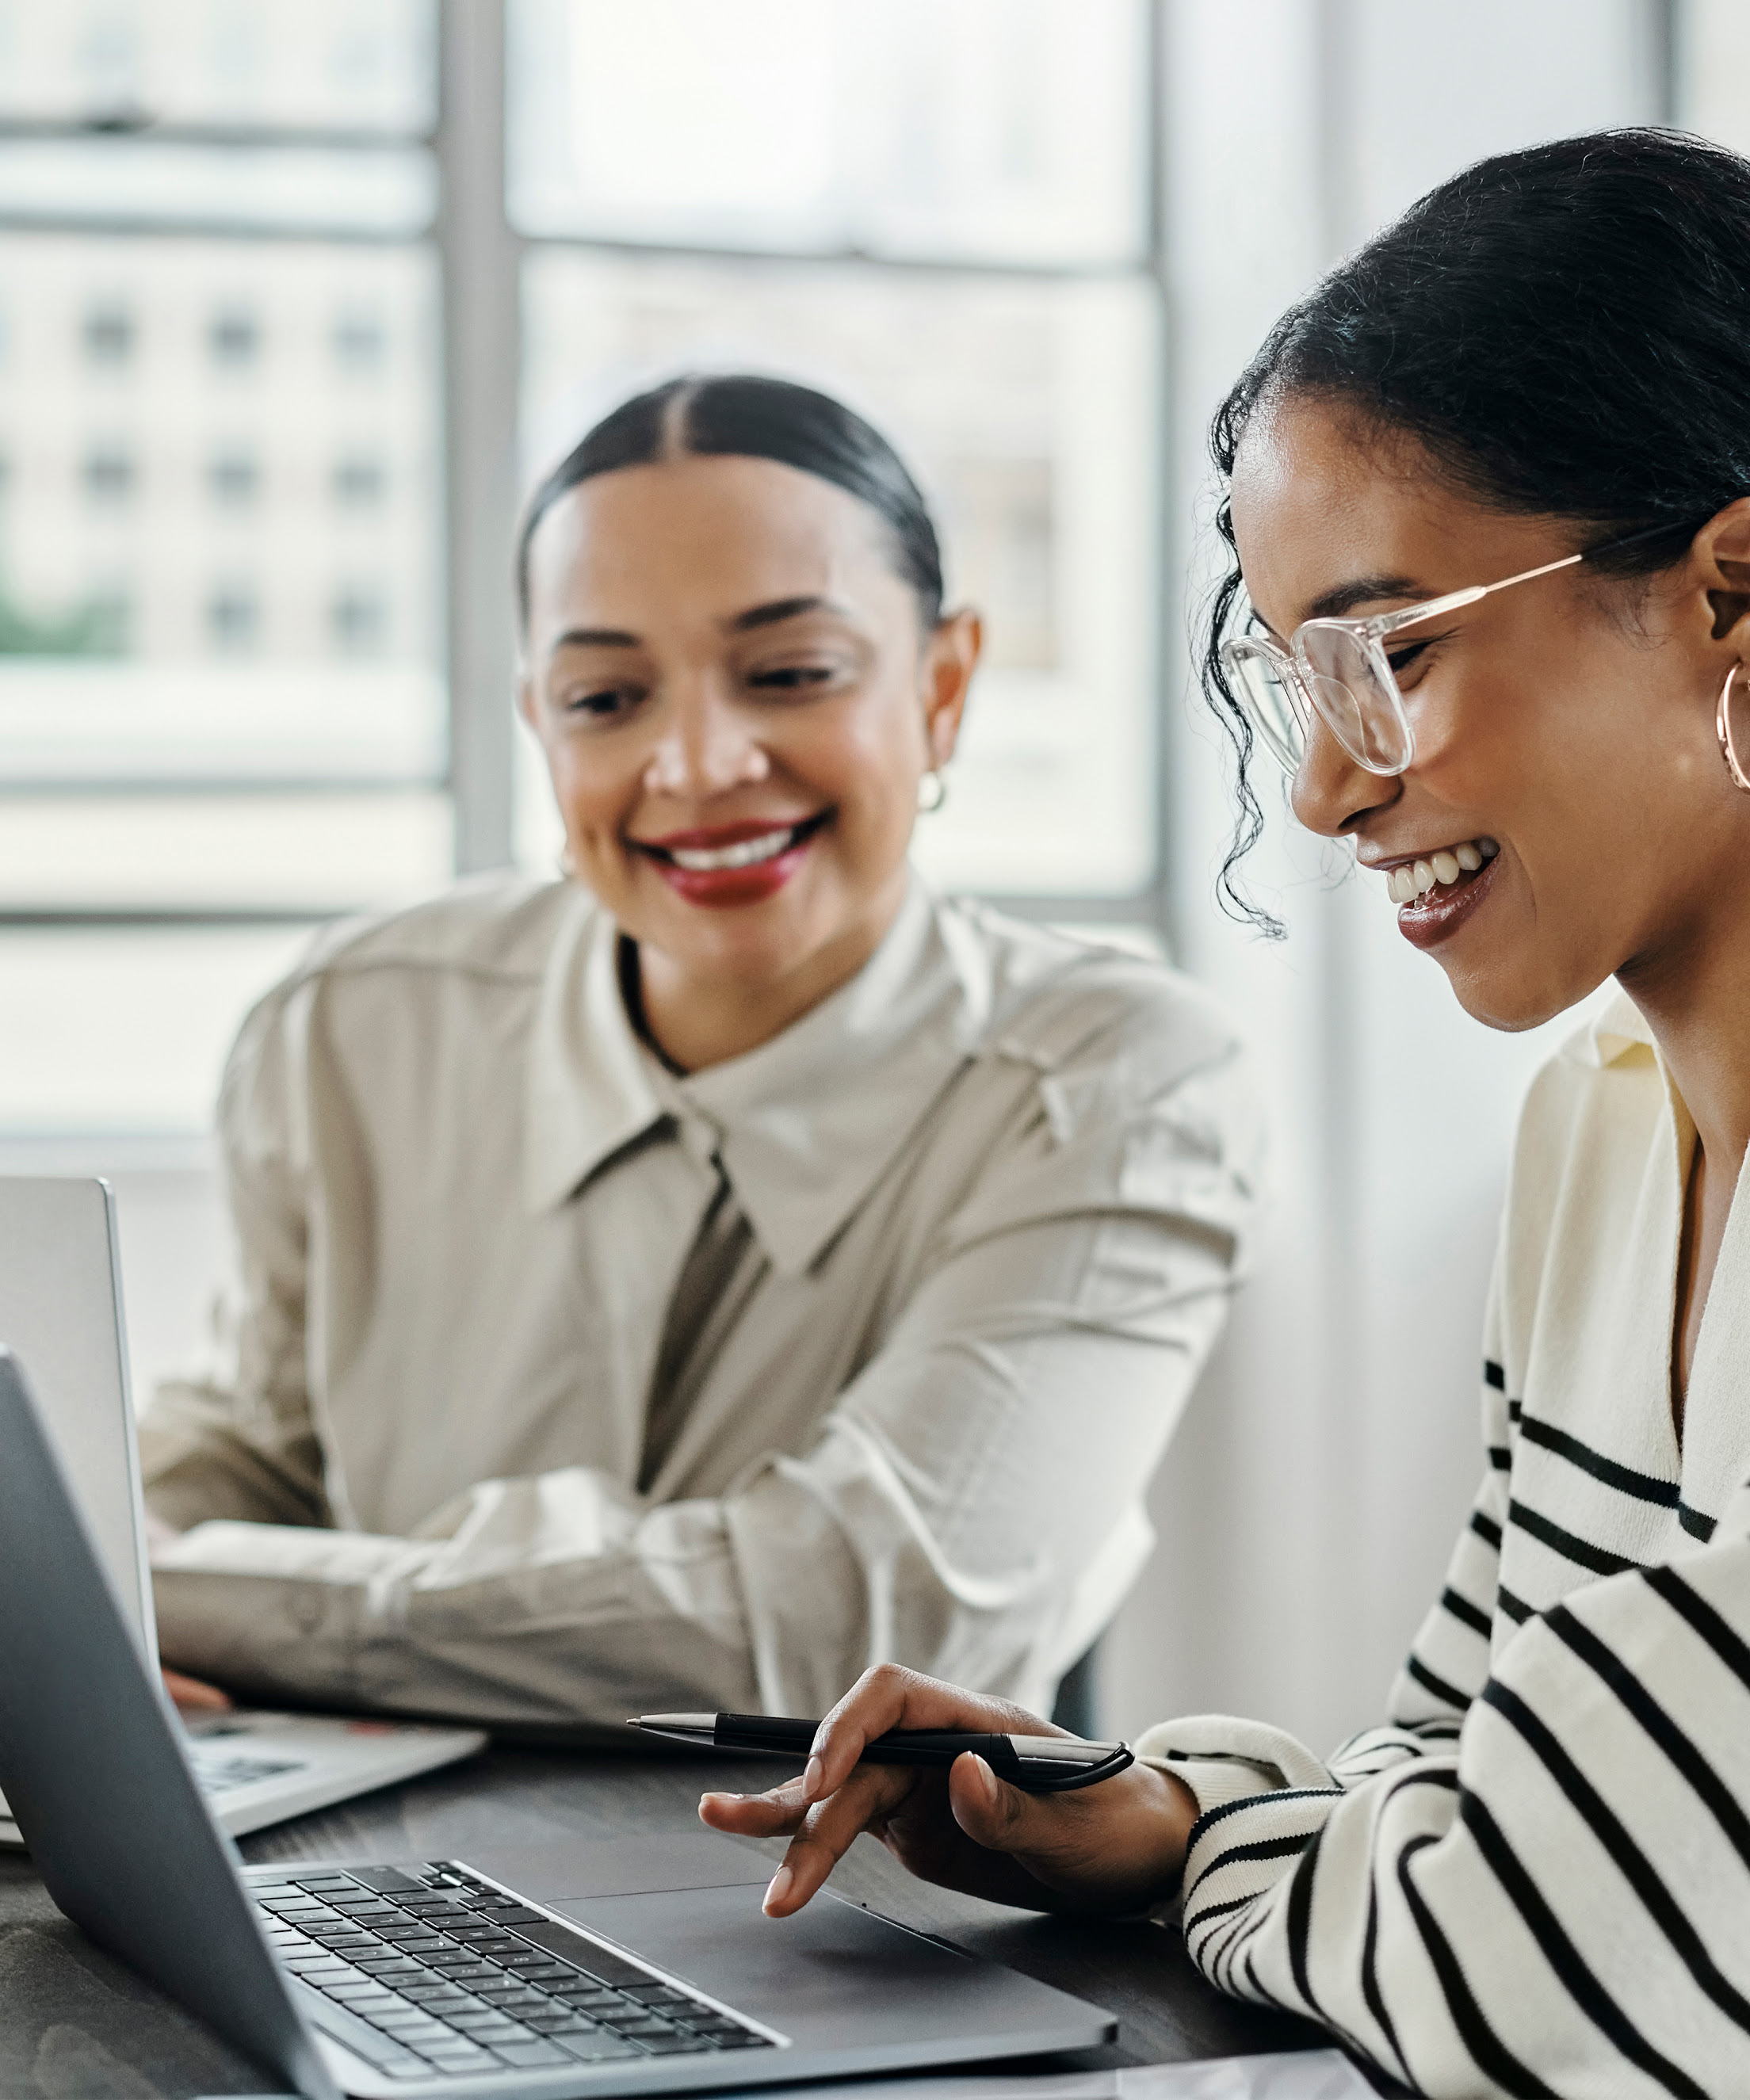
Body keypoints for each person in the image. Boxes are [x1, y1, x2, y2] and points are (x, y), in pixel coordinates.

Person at [701, 132, 1750, 2098]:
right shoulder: (1601, 1132)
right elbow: (1450, 1778)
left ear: (1732, 588)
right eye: (1299, 682)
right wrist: (1172, 1807)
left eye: (1395, 652)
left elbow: (1527, 1964)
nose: (1327, 798)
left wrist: (1220, 1852)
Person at [141, 373, 1263, 1734]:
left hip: (858, 1914)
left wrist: (181, 1598)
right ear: (540, 727)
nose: (698, 762)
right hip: (376, 1884)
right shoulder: (351, 1027)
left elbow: (853, 1624)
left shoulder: (1120, 1079)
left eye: (790, 674)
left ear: (945, 685)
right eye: (606, 696)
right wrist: (95, 1598)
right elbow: (235, 1466)